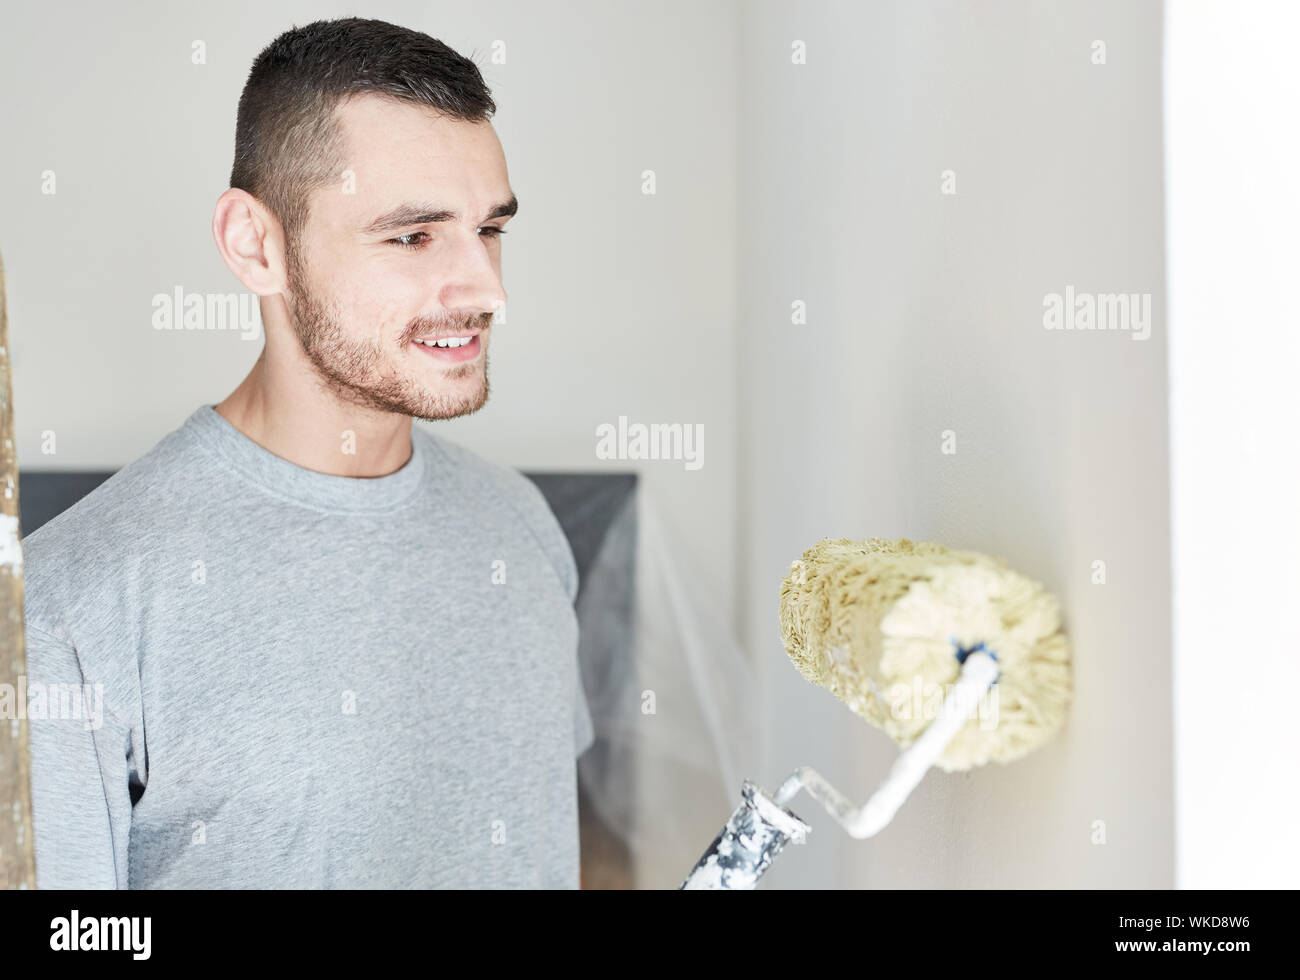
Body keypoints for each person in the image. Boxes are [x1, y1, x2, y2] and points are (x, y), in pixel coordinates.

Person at [22, 16, 594, 889]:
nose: (487, 287)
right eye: (413, 236)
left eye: (491, 230)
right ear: (256, 245)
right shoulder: (71, 607)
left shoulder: (519, 528)